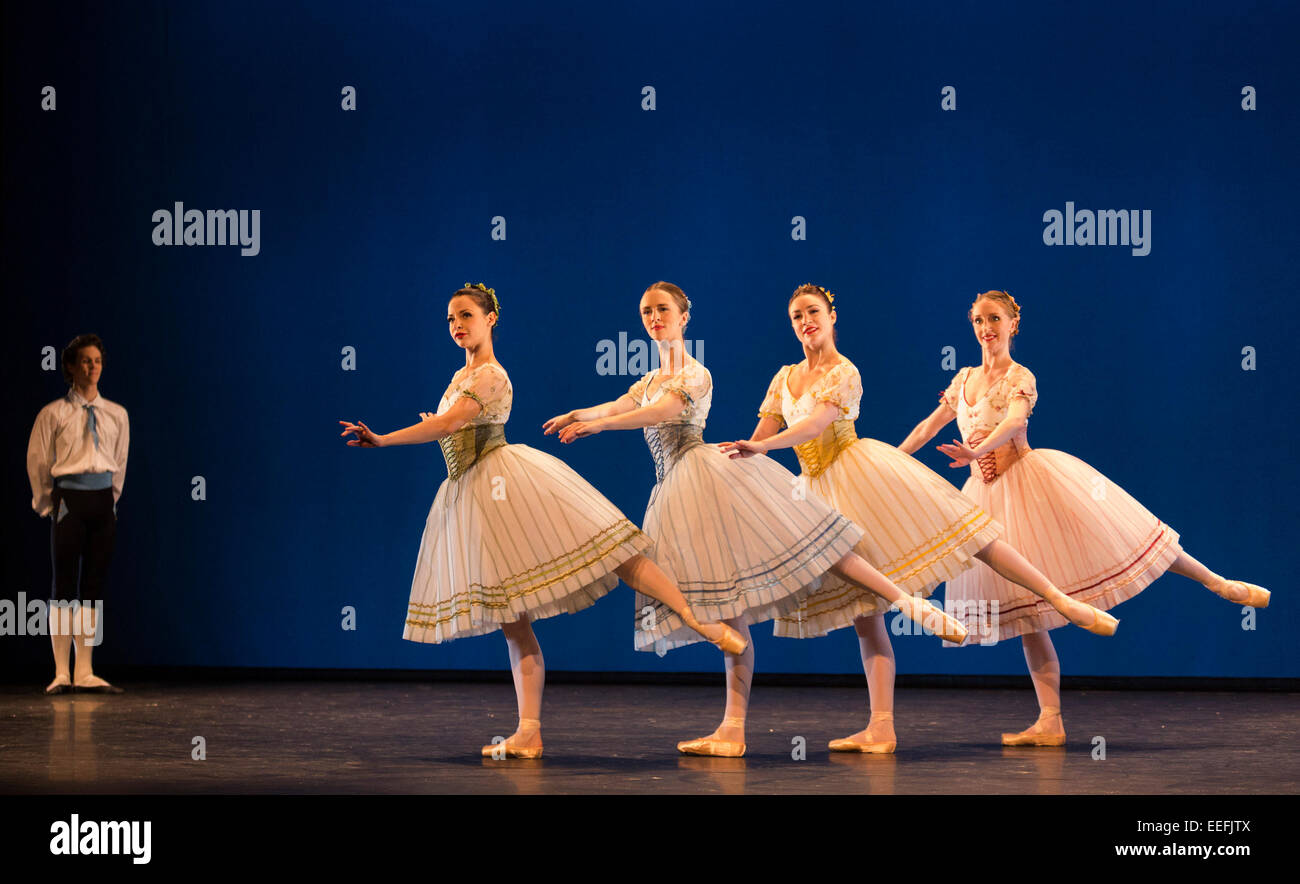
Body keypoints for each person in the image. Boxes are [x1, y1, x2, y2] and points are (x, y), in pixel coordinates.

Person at [545, 282, 967, 758]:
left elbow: (660, 412)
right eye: (646, 311)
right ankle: (732, 729)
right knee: (733, 601)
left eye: (663, 309)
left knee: (814, 544)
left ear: (684, 316)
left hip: (700, 474)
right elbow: (625, 403)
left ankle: (908, 602)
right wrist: (580, 413)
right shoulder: (647, 380)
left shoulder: (695, 373)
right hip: (678, 487)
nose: (654, 317)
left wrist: (600, 425)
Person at [339, 283, 745, 759]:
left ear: (490, 319)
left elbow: (451, 424)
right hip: (471, 495)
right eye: (451, 319)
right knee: (513, 615)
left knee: (609, 547)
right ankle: (528, 731)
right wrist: (580, 413)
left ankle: (697, 619)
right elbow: (616, 403)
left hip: (506, 483)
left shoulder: (491, 375)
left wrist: (386, 439)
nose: (457, 326)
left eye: (466, 316)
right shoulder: (458, 376)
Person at [720, 284, 1119, 755]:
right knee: (864, 613)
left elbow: (813, 426)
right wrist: (735, 461)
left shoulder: (844, 371)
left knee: (967, 535)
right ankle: (881, 727)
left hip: (854, 472)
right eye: (796, 316)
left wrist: (768, 447)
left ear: (831, 317)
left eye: (813, 312)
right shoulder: (784, 377)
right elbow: (763, 433)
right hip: (817, 489)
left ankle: (1060, 600)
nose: (805, 321)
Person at [895, 289, 1271, 745]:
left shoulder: (1020, 376)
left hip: (1031, 481)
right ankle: (1049, 720)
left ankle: (1217, 582)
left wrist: (976, 448)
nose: (985, 328)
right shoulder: (963, 380)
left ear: (1013, 323)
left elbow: (1014, 423)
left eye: (994, 318)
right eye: (978, 320)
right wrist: (894, 459)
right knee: (1027, 612)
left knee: (1123, 534)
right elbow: (929, 425)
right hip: (984, 495)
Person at [26, 334, 129, 695]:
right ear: (70, 366)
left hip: (101, 502)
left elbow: (119, 464)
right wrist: (46, 503)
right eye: (85, 361)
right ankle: (61, 672)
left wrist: (111, 503)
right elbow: (38, 461)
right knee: (64, 586)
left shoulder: (116, 414)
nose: (92, 367)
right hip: (69, 499)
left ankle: (85, 670)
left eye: (97, 360)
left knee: (93, 587)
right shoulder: (54, 413)